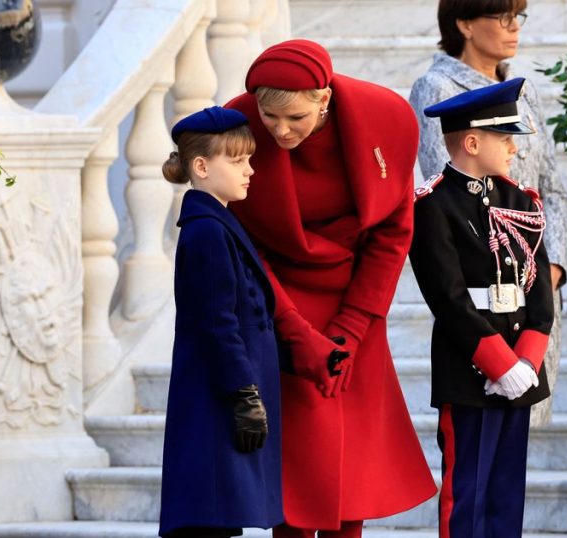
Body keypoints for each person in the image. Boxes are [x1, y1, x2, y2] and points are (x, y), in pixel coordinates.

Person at [225, 40, 436, 537]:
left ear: (323, 100)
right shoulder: (236, 125)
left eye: (293, 117)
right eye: (268, 115)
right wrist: (296, 334)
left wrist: (353, 327)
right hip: (279, 309)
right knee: (295, 467)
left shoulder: (385, 116)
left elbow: (392, 232)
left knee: (352, 468)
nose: (278, 129)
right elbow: (244, 243)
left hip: (354, 304)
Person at [409, 0, 567, 426]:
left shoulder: (523, 89)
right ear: (464, 24)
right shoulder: (437, 86)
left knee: (518, 430)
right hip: (485, 279)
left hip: (533, 275)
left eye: (518, 16)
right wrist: (509, 266)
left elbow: (550, 185)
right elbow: (447, 185)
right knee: (484, 434)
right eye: (502, 17)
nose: (514, 27)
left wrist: (550, 266)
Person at [409, 78, 554, 538]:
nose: (513, 148)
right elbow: (447, 298)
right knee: (466, 493)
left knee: (506, 493)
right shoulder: (434, 206)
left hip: (520, 370)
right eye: (504, 137)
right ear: (471, 142)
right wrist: (498, 363)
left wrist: (526, 362)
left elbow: (540, 293)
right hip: (470, 368)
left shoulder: (519, 201)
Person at [158, 107, 285, 538]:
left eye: (248, 159)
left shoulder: (218, 222)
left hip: (224, 396)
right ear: (201, 166)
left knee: (218, 522)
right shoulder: (206, 231)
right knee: (208, 521)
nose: (250, 170)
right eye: (237, 160)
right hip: (218, 401)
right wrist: (244, 396)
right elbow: (217, 323)